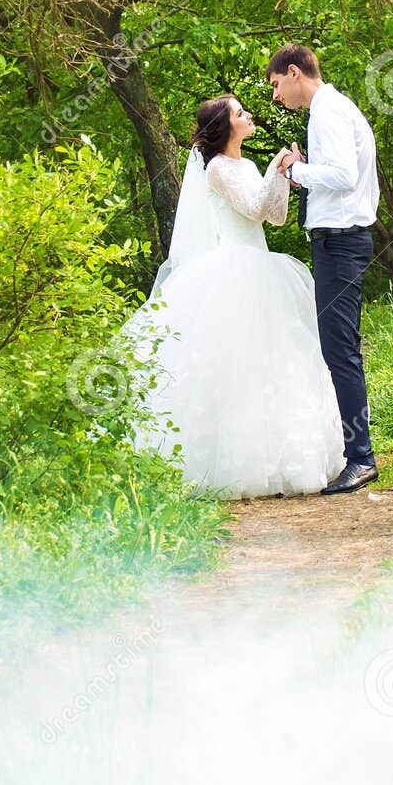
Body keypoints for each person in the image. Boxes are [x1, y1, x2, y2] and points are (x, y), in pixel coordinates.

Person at [122, 95, 345, 499]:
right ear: (225, 127)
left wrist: (281, 174)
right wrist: (280, 164)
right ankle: (231, 462)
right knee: (237, 366)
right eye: (240, 113)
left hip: (261, 263)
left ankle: (283, 457)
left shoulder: (246, 164)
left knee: (274, 362)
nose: (248, 115)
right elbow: (255, 206)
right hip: (234, 269)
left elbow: (274, 215)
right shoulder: (219, 169)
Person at [266, 44, 381, 495]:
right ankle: (359, 454)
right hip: (339, 242)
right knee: (341, 348)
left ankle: (361, 458)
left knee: (340, 352)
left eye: (277, 85)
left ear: (294, 73)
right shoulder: (331, 108)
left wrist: (298, 170)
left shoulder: (328, 111)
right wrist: (308, 169)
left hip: (340, 242)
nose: (276, 97)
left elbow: (343, 176)